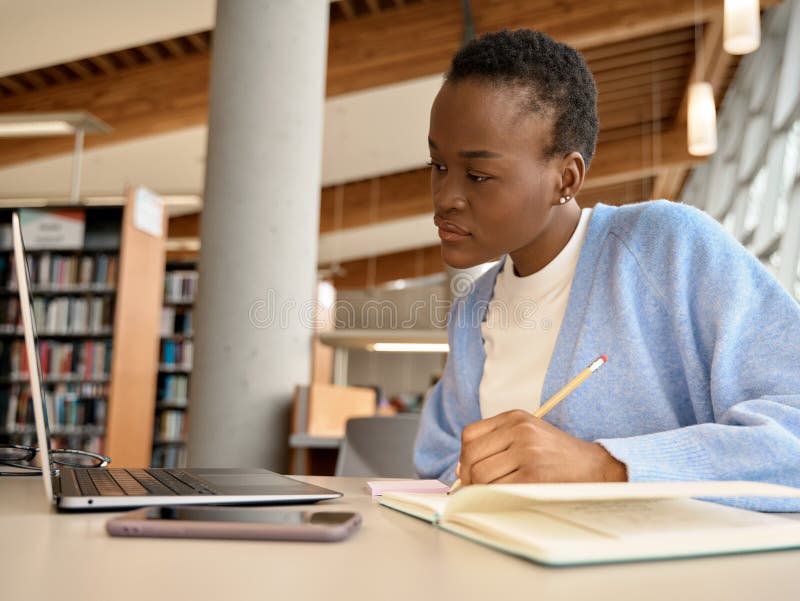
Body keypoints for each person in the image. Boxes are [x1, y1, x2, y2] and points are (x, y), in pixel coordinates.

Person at [413, 29, 800, 511]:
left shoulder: (667, 248)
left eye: (479, 176)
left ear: (566, 178)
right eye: (437, 165)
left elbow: (793, 435)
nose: (445, 197)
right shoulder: (475, 306)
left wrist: (602, 465)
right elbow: (440, 459)